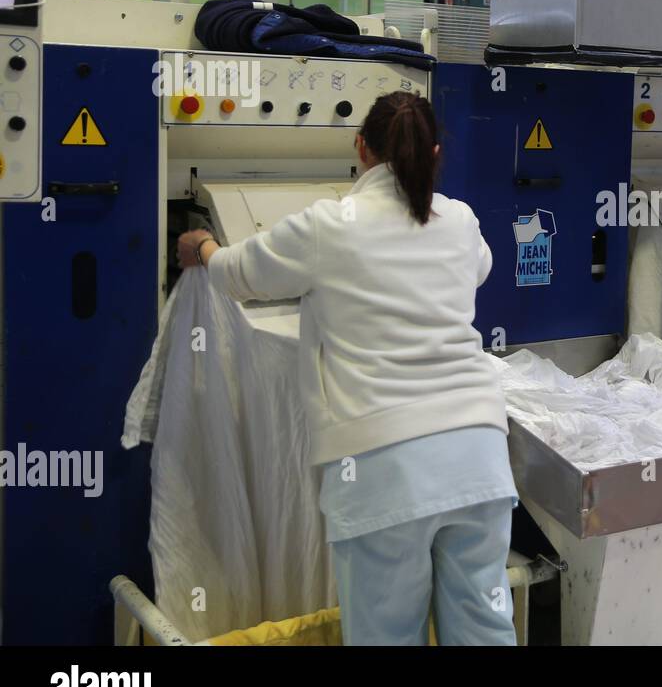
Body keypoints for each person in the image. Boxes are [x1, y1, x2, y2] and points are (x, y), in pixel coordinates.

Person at [177, 91, 518, 645]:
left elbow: (239, 274)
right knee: (484, 628)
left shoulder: (326, 226)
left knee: (386, 633)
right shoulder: (460, 219)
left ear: (360, 147)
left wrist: (204, 245)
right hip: (479, 461)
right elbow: (480, 268)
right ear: (434, 153)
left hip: (385, 471)